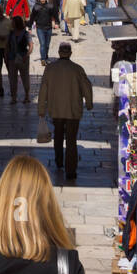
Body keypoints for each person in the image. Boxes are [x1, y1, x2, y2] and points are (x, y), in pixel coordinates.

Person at [38, 41, 93, 180]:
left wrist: (41, 109)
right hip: (73, 109)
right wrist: (89, 103)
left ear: (59, 52)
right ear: (70, 53)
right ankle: (71, 170)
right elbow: (86, 86)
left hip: (56, 109)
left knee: (58, 135)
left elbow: (43, 89)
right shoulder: (77, 69)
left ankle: (58, 160)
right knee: (71, 140)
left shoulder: (50, 69)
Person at [29, 0, 59, 65]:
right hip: (40, 28)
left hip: (48, 27)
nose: (42, 0)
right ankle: (43, 59)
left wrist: (57, 22)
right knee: (42, 44)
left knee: (47, 45)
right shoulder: (36, 7)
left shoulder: (50, 6)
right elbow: (32, 17)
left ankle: (46, 57)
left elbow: (55, 15)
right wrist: (29, 27)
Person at [9, 16, 33, 103]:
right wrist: (6, 57)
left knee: (25, 77)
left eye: (13, 22)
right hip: (12, 58)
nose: (11, 23)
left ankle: (27, 96)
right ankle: (13, 97)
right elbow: (7, 46)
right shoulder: (10, 33)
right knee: (12, 78)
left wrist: (26, 56)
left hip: (23, 57)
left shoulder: (26, 33)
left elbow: (31, 45)